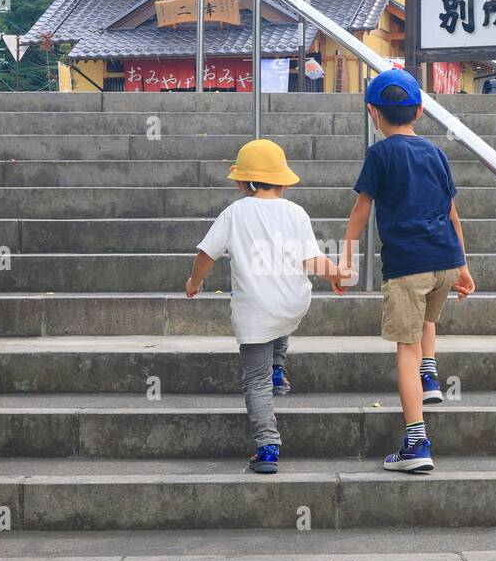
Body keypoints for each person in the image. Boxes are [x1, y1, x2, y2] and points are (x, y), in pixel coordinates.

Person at [186, 139, 351, 474]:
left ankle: (267, 447)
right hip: (293, 303)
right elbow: (312, 259)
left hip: (255, 313)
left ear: (243, 182)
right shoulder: (296, 212)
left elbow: (206, 254)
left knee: (256, 381)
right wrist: (335, 273)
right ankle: (279, 367)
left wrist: (194, 282)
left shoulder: (234, 213)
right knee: (280, 315)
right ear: (282, 182)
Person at [338, 69, 474, 473]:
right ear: (418, 110)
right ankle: (430, 377)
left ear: (372, 113)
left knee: (406, 347)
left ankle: (416, 442)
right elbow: (453, 214)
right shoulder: (436, 153)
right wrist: (463, 266)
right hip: (445, 262)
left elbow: (362, 210)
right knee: (426, 322)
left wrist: (346, 256)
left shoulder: (380, 154)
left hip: (408, 267)